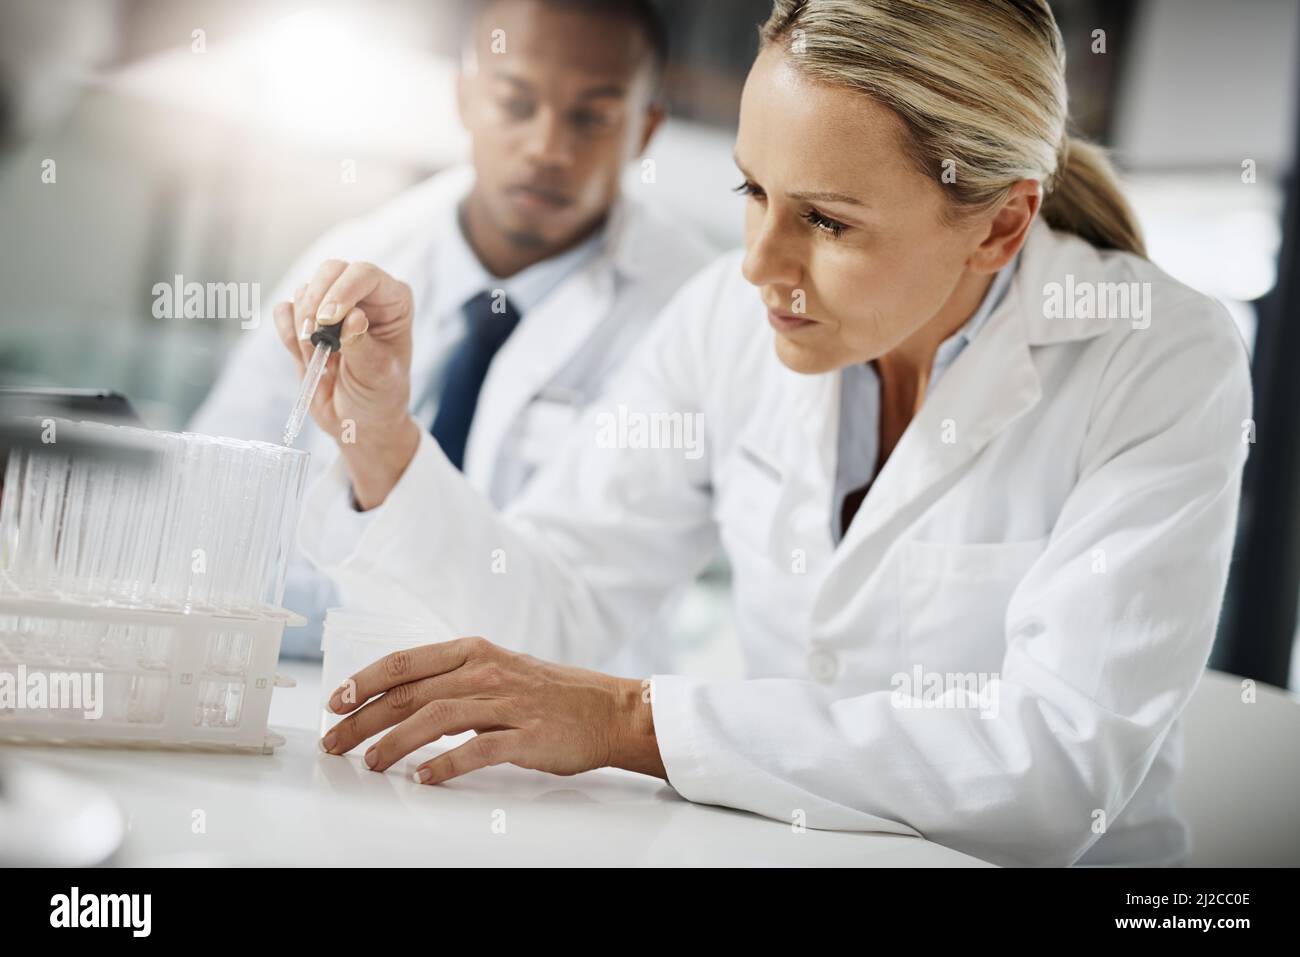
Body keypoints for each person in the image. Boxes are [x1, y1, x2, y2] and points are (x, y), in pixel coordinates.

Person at [277, 0, 1251, 867]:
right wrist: (381, 437)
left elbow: (1055, 768)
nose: (755, 265)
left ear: (999, 227)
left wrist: (634, 720)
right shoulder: (722, 319)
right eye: (752, 192)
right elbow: (558, 608)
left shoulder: (1157, 356)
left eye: (826, 222)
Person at [188, 0, 717, 663]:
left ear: (646, 130)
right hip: (315, 696)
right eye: (515, 103)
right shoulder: (353, 259)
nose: (548, 148)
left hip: (558, 753)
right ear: (465, 97)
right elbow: (204, 513)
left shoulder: (693, 315)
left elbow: (557, 610)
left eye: (592, 117)